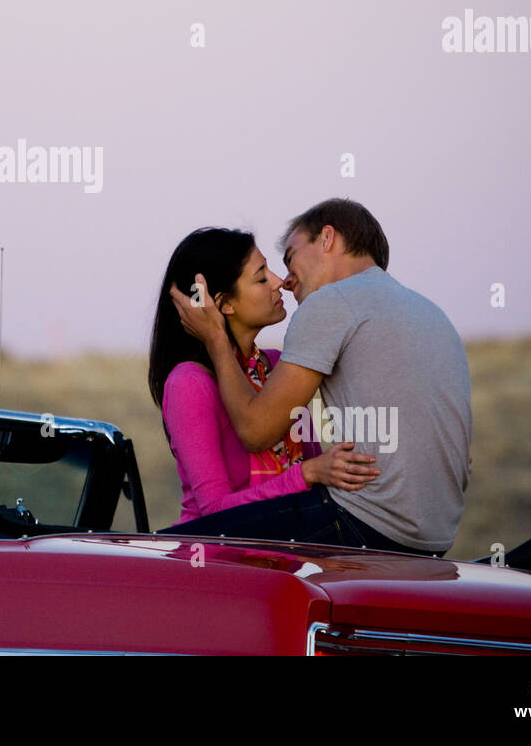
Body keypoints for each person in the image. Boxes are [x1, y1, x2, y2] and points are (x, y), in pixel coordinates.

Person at [167, 199, 472, 556]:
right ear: (225, 301)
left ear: (327, 238)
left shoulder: (330, 303)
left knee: (188, 539)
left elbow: (255, 431)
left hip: (366, 520)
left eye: (291, 257)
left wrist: (215, 337)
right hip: (435, 537)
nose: (286, 279)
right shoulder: (430, 313)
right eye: (264, 275)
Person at [148, 227, 380, 526]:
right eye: (261, 277)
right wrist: (308, 473)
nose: (279, 282)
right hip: (218, 564)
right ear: (224, 304)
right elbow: (215, 512)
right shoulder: (189, 384)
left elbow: (315, 461)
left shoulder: (276, 365)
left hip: (287, 557)